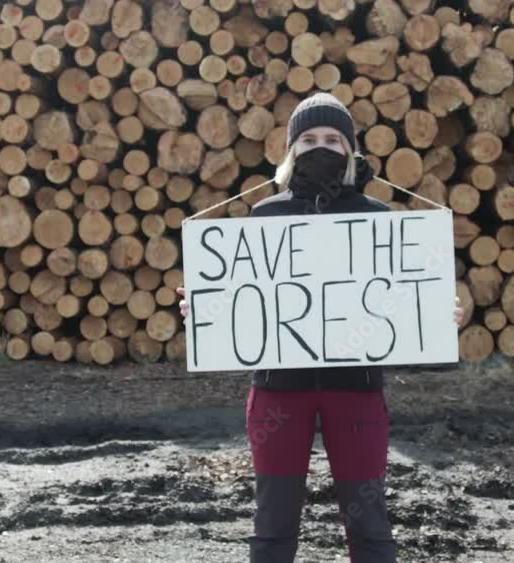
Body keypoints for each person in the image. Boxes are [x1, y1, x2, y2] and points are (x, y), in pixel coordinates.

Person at [176, 93, 464, 563]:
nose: (321, 147)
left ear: (351, 150)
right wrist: (209, 312)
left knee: (369, 525)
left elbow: (396, 300)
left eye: (333, 138)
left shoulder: (376, 217)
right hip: (277, 393)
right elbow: (249, 305)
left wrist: (436, 315)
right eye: (308, 139)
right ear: (290, 151)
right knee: (273, 524)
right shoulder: (264, 217)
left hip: (357, 392)